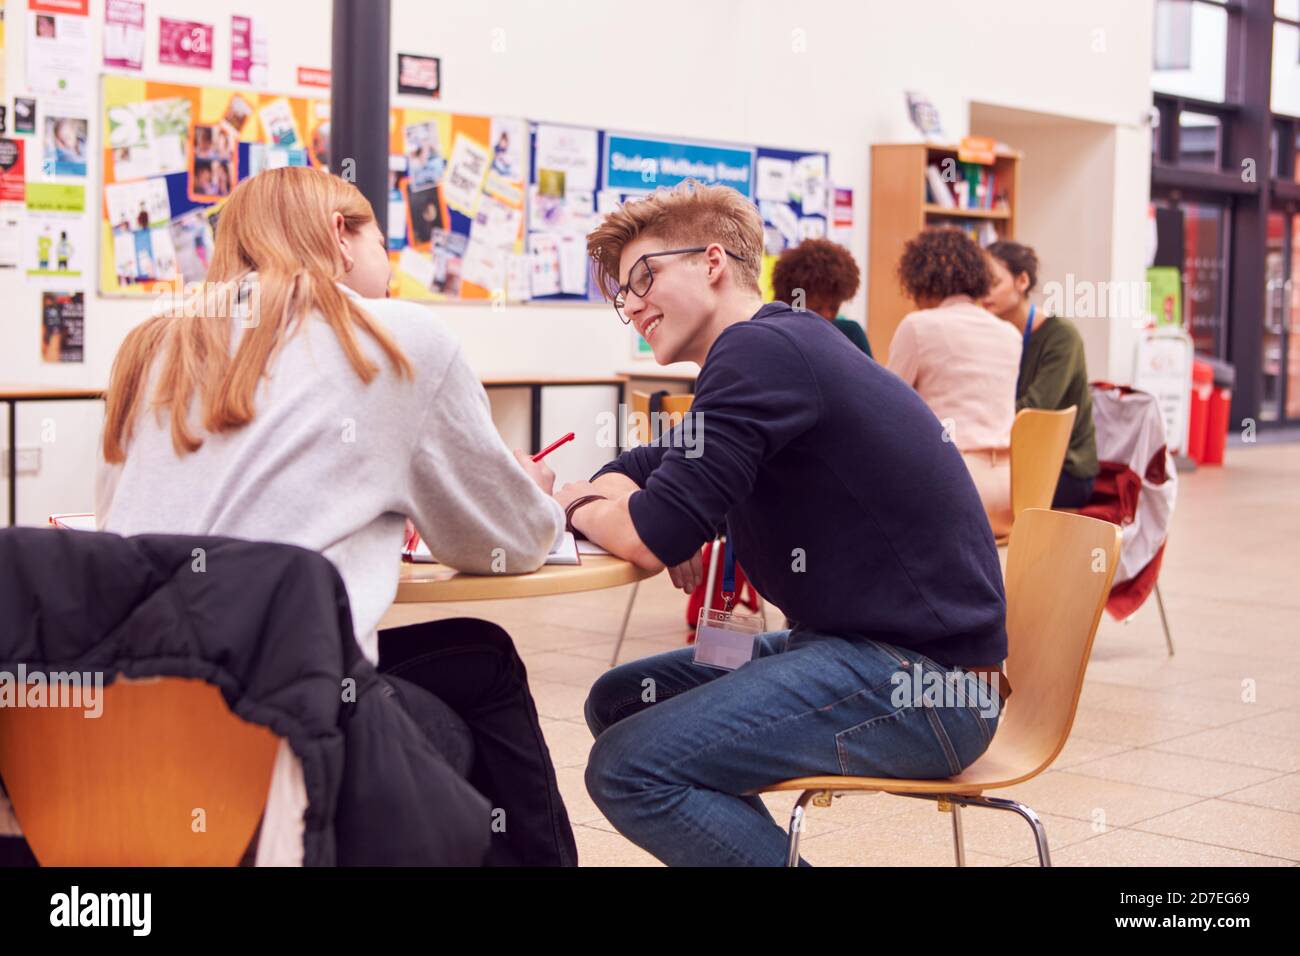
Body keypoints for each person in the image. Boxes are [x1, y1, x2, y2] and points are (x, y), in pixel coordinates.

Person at [95, 166, 577, 866]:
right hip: (284, 738)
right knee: (482, 676)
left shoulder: (150, 347)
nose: (394, 271)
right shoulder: (393, 336)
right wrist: (527, 490)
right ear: (339, 238)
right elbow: (512, 540)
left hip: (117, 725)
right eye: (385, 245)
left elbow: (117, 531)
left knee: (471, 656)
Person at [559, 181, 1007, 867]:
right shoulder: (766, 351)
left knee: (627, 767)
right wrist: (628, 504)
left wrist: (573, 502)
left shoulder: (758, 352)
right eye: (624, 293)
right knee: (621, 699)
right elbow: (639, 469)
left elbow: (651, 538)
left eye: (644, 276)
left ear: (712, 262)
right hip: (832, 649)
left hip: (924, 682)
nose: (633, 303)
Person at [886, 226, 1021, 537]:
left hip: (952, 489)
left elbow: (887, 411)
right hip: (1013, 492)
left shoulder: (917, 326)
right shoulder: (1009, 334)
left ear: (919, 281)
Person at [983, 241, 1099, 508]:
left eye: (994, 282)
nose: (984, 292)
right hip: (1014, 456)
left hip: (1066, 468)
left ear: (1022, 281)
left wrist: (977, 420)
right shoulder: (996, 335)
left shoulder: (1061, 337)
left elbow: (1033, 412)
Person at [770, 237, 871, 357]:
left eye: (834, 307)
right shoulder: (776, 339)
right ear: (793, 302)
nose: (828, 315)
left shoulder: (850, 334)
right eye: (817, 308)